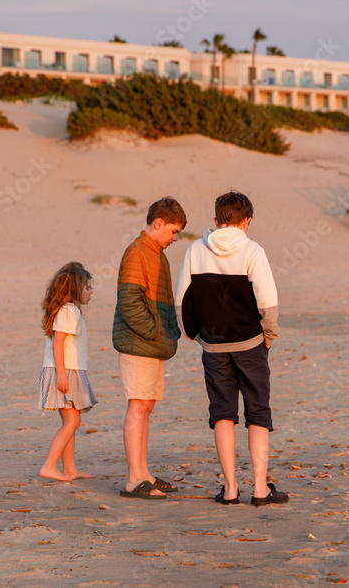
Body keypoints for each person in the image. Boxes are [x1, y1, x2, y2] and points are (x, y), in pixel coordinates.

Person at [175, 191, 288, 506]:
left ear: (216, 220)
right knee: (258, 412)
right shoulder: (253, 250)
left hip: (213, 346)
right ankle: (261, 489)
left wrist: (196, 336)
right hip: (251, 343)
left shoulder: (196, 250)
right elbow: (268, 303)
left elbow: (182, 302)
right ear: (247, 221)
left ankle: (230, 489)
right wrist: (269, 336)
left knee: (222, 413)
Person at [113, 197, 187, 499]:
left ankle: (144, 473)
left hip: (152, 345)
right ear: (158, 223)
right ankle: (134, 479)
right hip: (139, 345)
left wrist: (169, 333)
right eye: (173, 231)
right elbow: (129, 302)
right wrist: (156, 332)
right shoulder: (137, 252)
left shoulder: (156, 252)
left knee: (147, 405)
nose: (175, 238)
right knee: (138, 405)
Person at [37, 262, 98, 482]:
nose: (91, 292)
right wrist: (62, 375)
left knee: (70, 421)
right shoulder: (68, 311)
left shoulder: (68, 310)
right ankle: (49, 466)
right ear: (75, 290)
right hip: (65, 371)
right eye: (88, 288)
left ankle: (70, 469)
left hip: (68, 369)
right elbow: (58, 344)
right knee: (73, 422)